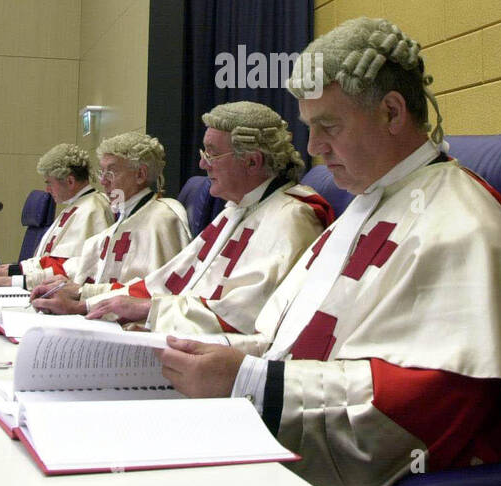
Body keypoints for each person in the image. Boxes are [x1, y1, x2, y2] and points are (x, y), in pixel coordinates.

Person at [157, 17, 501, 486]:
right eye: (308, 127)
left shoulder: (465, 227)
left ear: (392, 112)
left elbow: (431, 405)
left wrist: (251, 381)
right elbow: (292, 345)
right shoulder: (361, 208)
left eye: (329, 125)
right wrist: (233, 362)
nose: (312, 148)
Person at [83, 101, 333, 334]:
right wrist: (87, 299)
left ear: (252, 162)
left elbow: (245, 317)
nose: (203, 165)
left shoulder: (291, 217)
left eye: (212, 154)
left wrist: (151, 312)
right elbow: (165, 284)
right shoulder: (233, 211)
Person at [34, 132, 189, 314]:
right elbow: (92, 273)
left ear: (140, 174)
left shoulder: (162, 218)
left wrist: (81, 293)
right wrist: (65, 283)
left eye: (111, 172)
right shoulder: (125, 218)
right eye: (102, 171)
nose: (102, 181)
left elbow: (155, 293)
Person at [0, 143, 112, 288]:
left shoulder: (92, 210)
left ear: (70, 181)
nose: (47, 189)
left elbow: (68, 271)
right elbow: (47, 263)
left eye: (49, 183)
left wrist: (4, 279)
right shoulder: (77, 205)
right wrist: (6, 270)